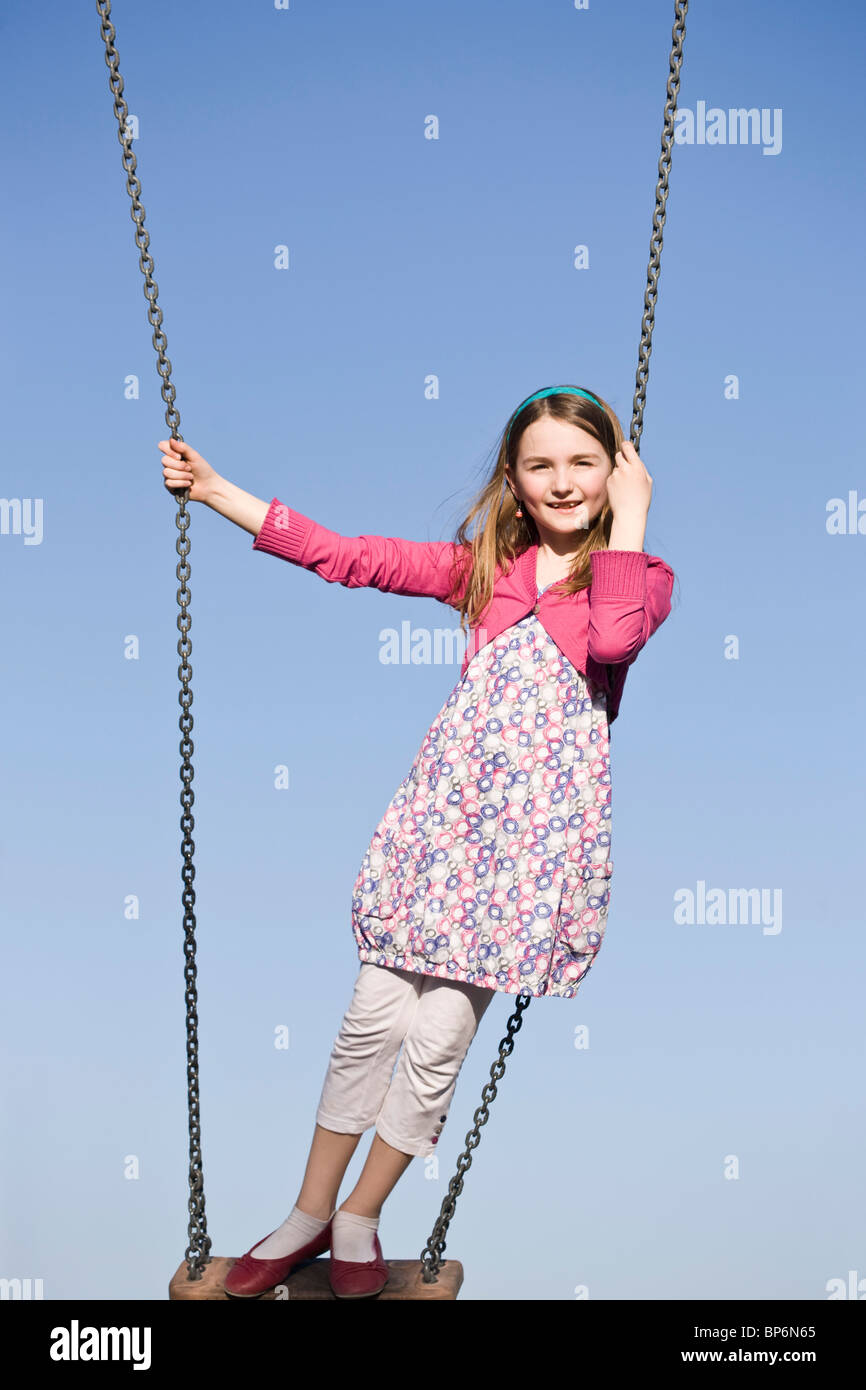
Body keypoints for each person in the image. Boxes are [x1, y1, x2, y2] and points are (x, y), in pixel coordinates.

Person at [158, 384, 676, 1299]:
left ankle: (361, 1219)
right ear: (514, 483)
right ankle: (307, 1217)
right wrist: (217, 492)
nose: (563, 482)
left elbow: (615, 641)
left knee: (438, 1042)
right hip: (442, 829)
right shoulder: (485, 571)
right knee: (372, 1020)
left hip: (528, 855)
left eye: (583, 464)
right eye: (541, 465)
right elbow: (349, 557)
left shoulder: (634, 577)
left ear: (614, 472)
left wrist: (632, 520)